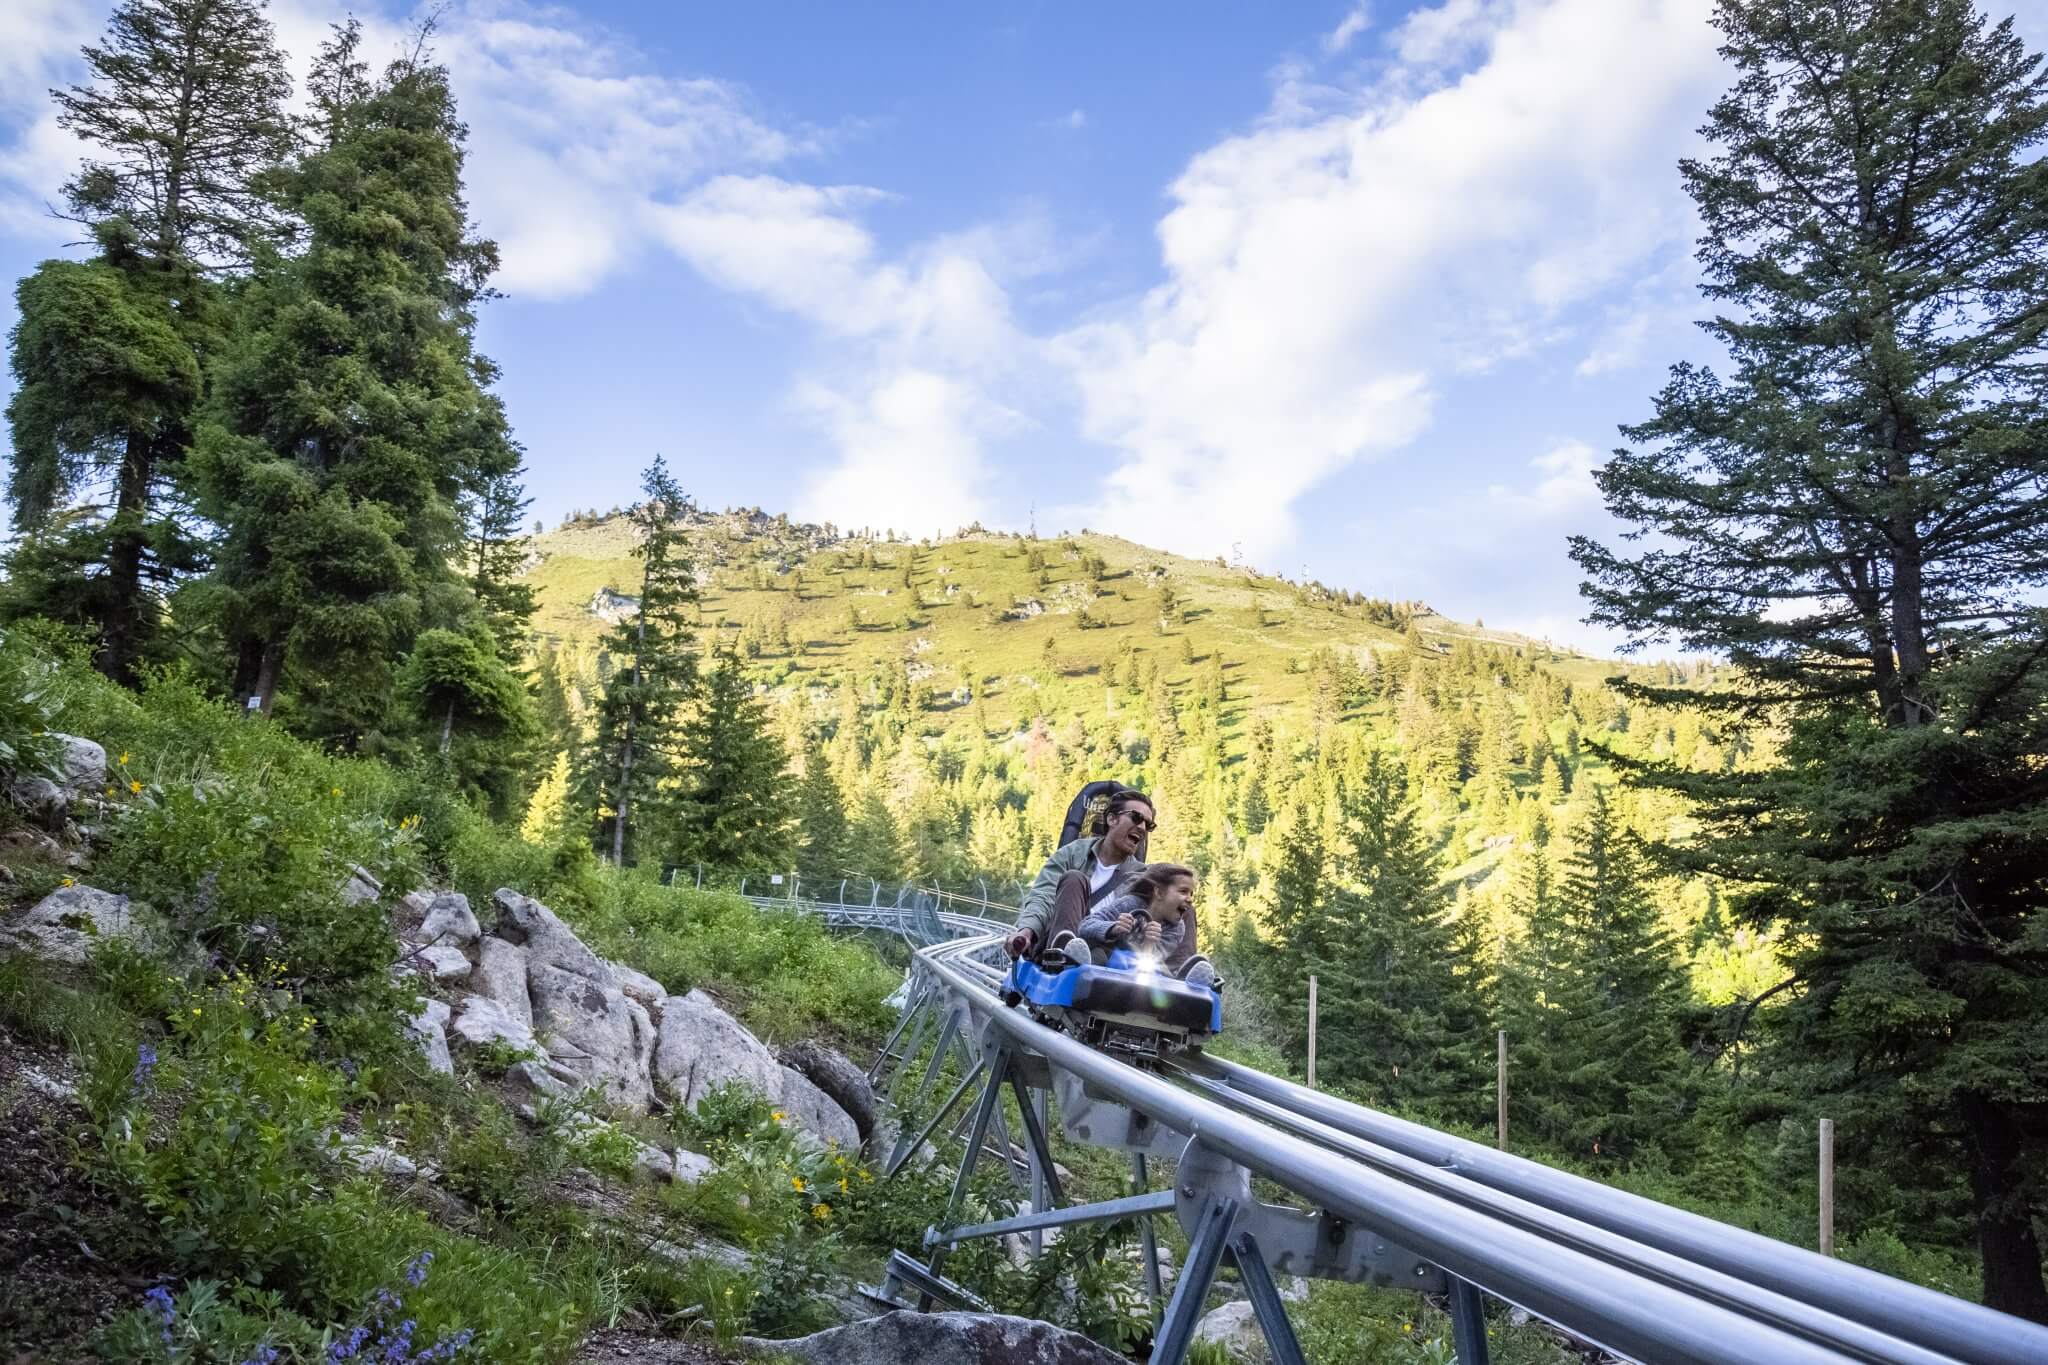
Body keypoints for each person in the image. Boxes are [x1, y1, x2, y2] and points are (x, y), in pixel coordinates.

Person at [1005, 788, 1153, 959]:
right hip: (1055, 948)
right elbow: (1043, 897)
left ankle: (1181, 977)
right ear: (1112, 819)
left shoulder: (1142, 876)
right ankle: (1063, 955)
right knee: (1074, 879)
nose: (1142, 828)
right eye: (1136, 818)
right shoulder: (1073, 854)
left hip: (1104, 957)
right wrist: (1026, 931)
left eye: (1148, 825)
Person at [1070, 863, 1221, 990]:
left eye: (1191, 894)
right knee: (1096, 955)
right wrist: (1113, 928)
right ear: (1158, 892)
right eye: (1183, 891)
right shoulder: (1130, 903)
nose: (1189, 899)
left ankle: (1190, 985)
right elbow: (1086, 925)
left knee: (1162, 973)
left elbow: (1152, 961)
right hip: (1107, 963)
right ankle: (1077, 965)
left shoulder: (1176, 928)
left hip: (1141, 971)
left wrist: (1149, 944)